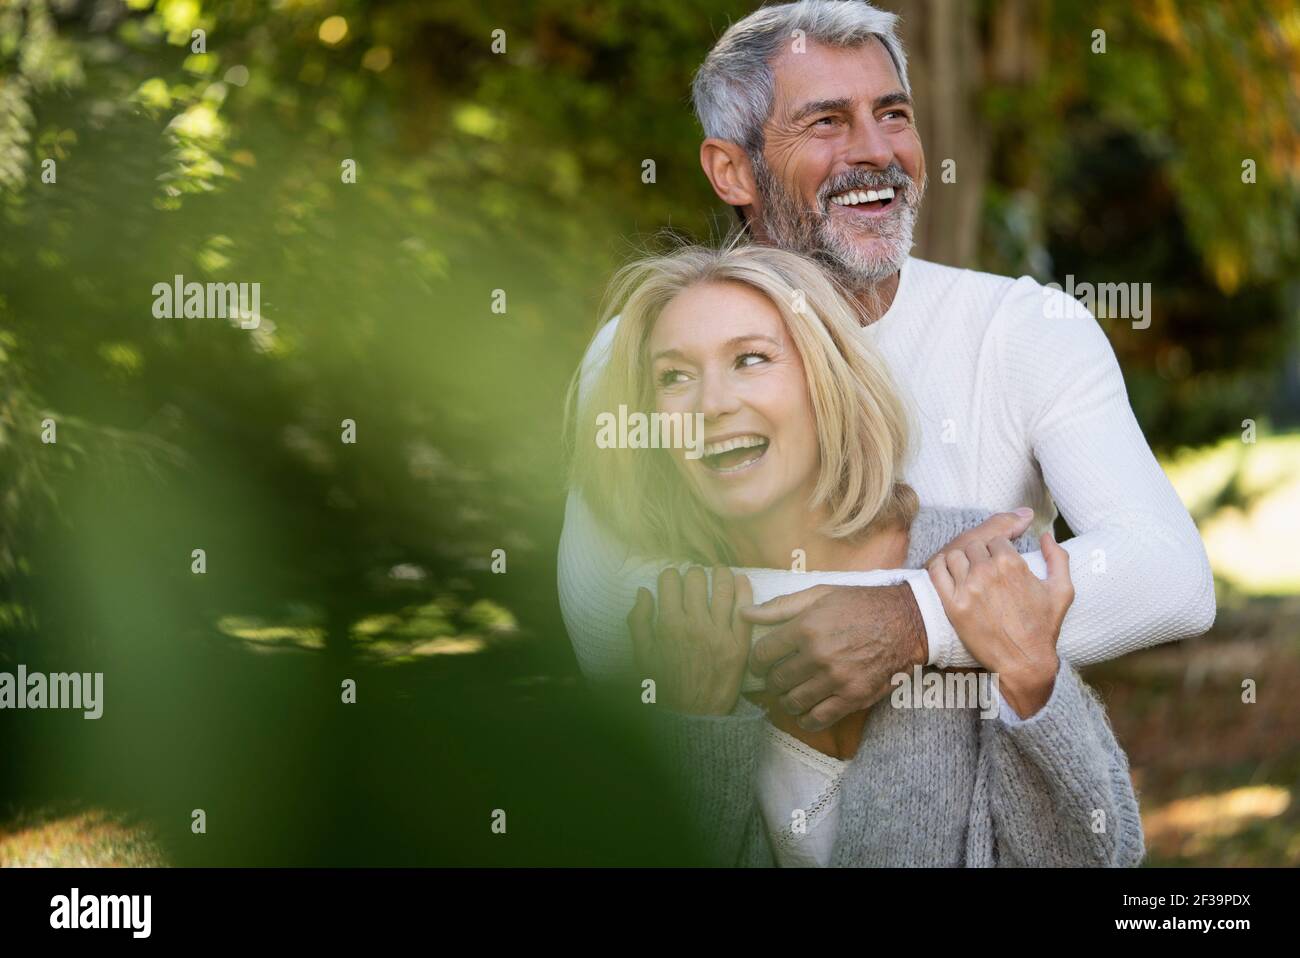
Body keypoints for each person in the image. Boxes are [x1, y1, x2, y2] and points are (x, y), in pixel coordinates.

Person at [558, 0, 1214, 740]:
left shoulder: (1026, 330)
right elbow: (606, 618)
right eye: (827, 122)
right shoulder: (644, 349)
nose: (876, 150)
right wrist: (978, 601)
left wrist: (911, 623)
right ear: (732, 169)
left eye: (894, 114)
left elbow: (1167, 575)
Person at [571, 241, 1143, 866]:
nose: (711, 405)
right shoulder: (672, 624)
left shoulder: (977, 569)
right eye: (674, 376)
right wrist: (691, 730)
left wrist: (1031, 681)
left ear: (827, 381)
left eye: (751, 360)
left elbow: (1096, 859)